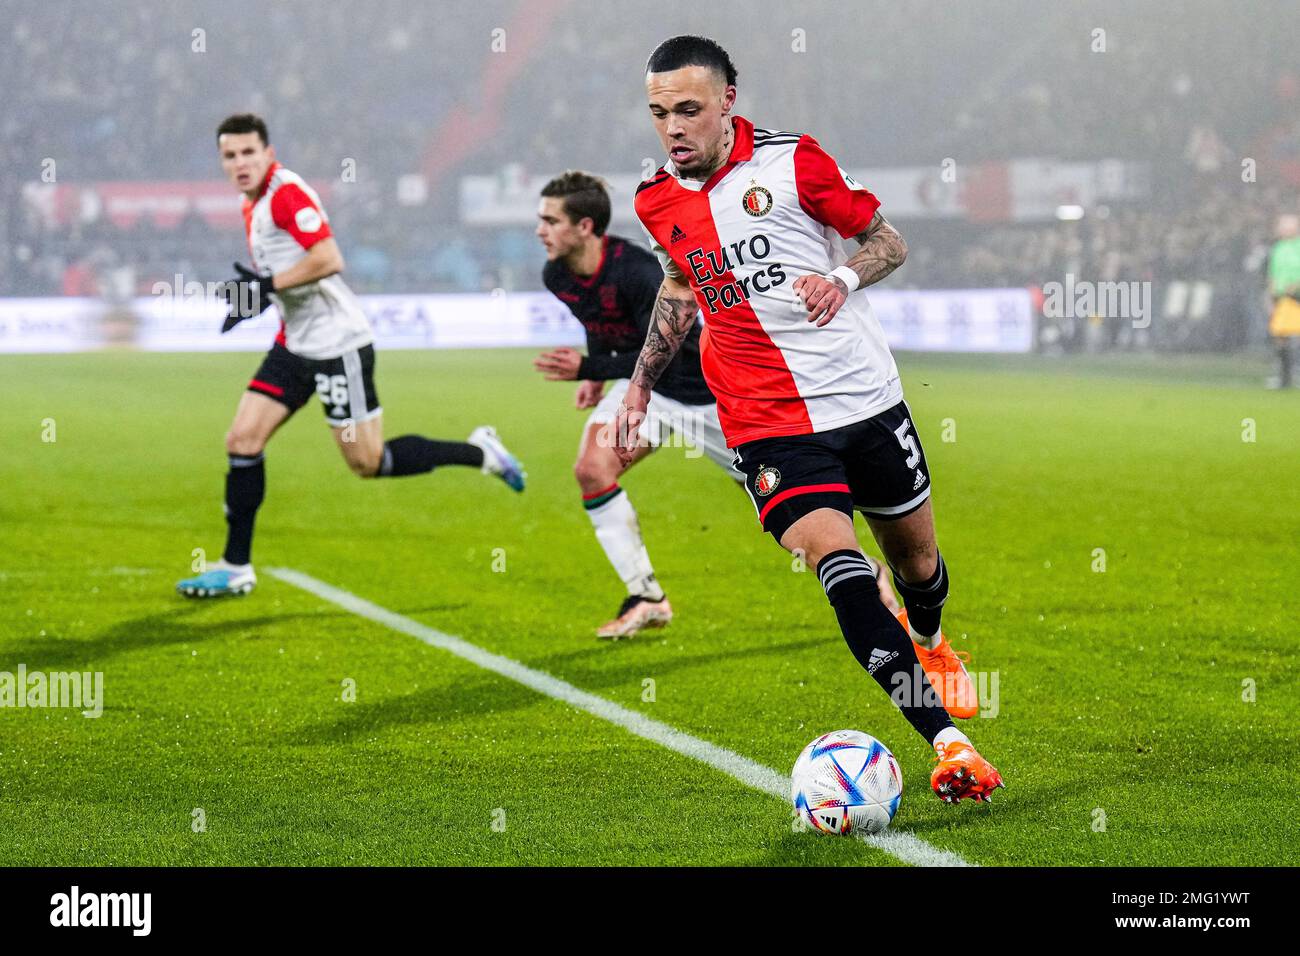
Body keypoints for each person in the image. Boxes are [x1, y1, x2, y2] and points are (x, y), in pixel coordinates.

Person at [615, 36, 1002, 804]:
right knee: (839, 565)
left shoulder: (796, 163)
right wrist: (637, 387)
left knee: (917, 567)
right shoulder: (655, 199)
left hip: (864, 400)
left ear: (729, 101)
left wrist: (840, 276)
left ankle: (928, 638)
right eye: (659, 113)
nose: (673, 129)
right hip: (766, 423)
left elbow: (887, 241)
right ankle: (950, 744)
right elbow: (679, 289)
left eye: (689, 109)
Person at [534, 171, 900, 636]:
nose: (540, 230)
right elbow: (600, 319)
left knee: (790, 519)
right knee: (591, 469)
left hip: (712, 399)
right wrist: (598, 368)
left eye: (550, 220)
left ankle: (865, 571)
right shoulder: (557, 275)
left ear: (585, 227)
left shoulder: (639, 273)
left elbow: (676, 344)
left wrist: (591, 368)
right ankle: (646, 595)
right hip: (651, 396)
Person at [176, 114, 524, 598]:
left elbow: (328, 258)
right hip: (295, 342)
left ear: (268, 153)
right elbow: (287, 271)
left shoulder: (285, 195)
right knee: (242, 438)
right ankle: (236, 566)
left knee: (367, 461)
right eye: (230, 156)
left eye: (248, 153)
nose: (240, 163)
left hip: (338, 344)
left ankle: (480, 452)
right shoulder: (249, 201)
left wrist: (267, 286)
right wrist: (263, 299)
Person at [1266, 213, 1300, 389]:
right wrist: (1270, 297)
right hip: (1281, 298)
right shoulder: (1278, 247)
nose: (1281, 229)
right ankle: (1284, 377)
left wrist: (1295, 286)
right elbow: (1272, 274)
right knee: (1280, 335)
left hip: (1297, 298)